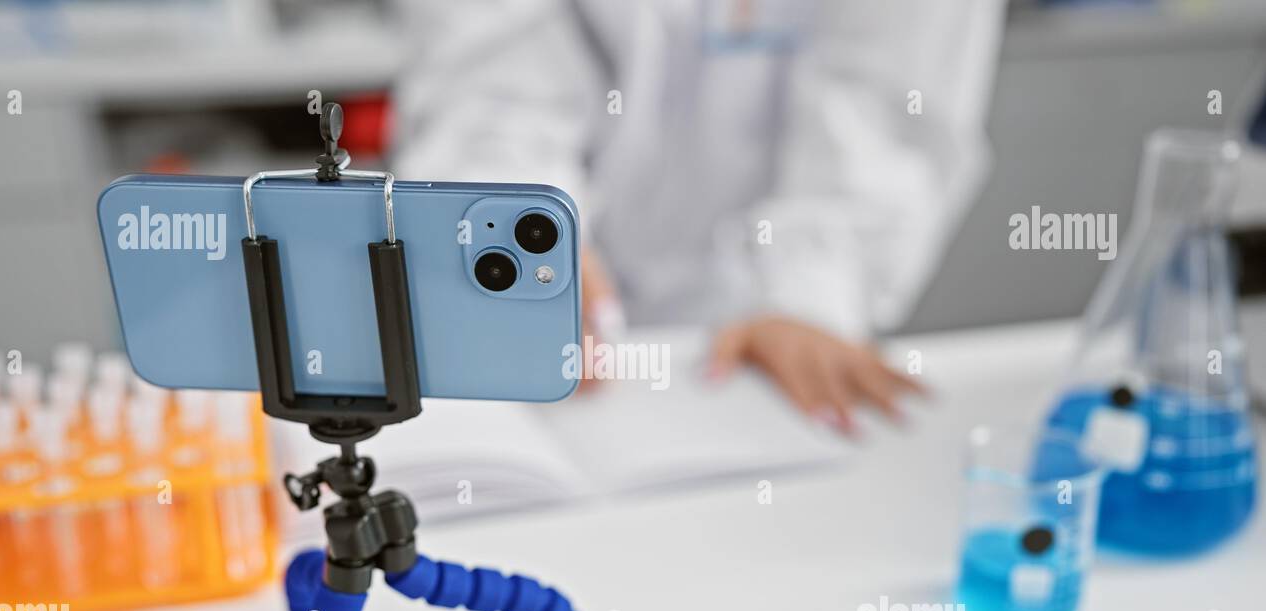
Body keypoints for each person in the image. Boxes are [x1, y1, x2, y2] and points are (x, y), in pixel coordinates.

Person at [394, 0, 1005, 433]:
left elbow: (882, 111)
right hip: (560, 331)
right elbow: (495, 78)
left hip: (773, 352)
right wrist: (522, 226)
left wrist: (805, 294)